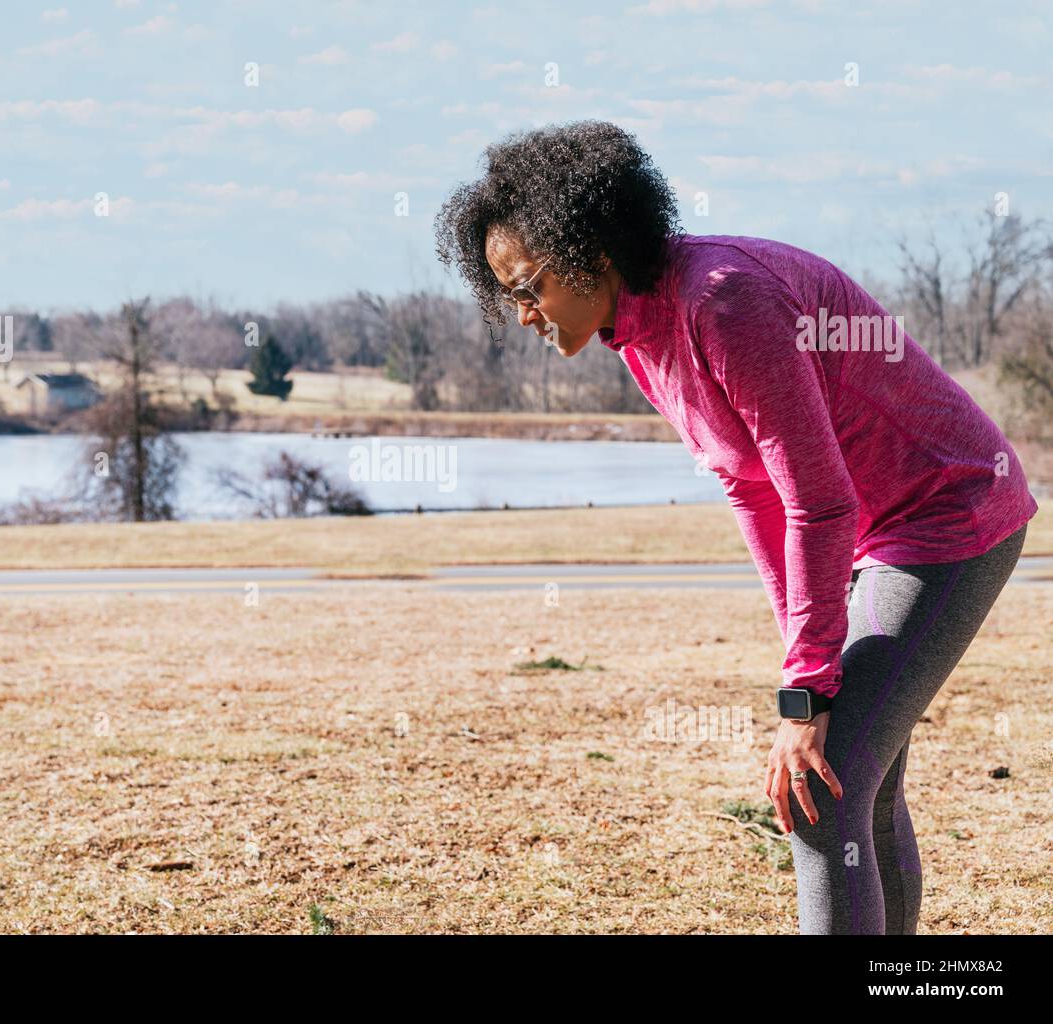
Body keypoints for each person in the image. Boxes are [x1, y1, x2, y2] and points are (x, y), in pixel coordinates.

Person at [433, 119, 1039, 934]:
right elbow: (749, 487)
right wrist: (803, 649)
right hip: (870, 534)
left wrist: (805, 693)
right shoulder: (636, 333)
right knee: (862, 788)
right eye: (506, 295)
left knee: (821, 796)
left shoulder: (724, 299)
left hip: (946, 515)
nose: (522, 313)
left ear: (590, 247)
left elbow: (816, 501)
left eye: (528, 285)